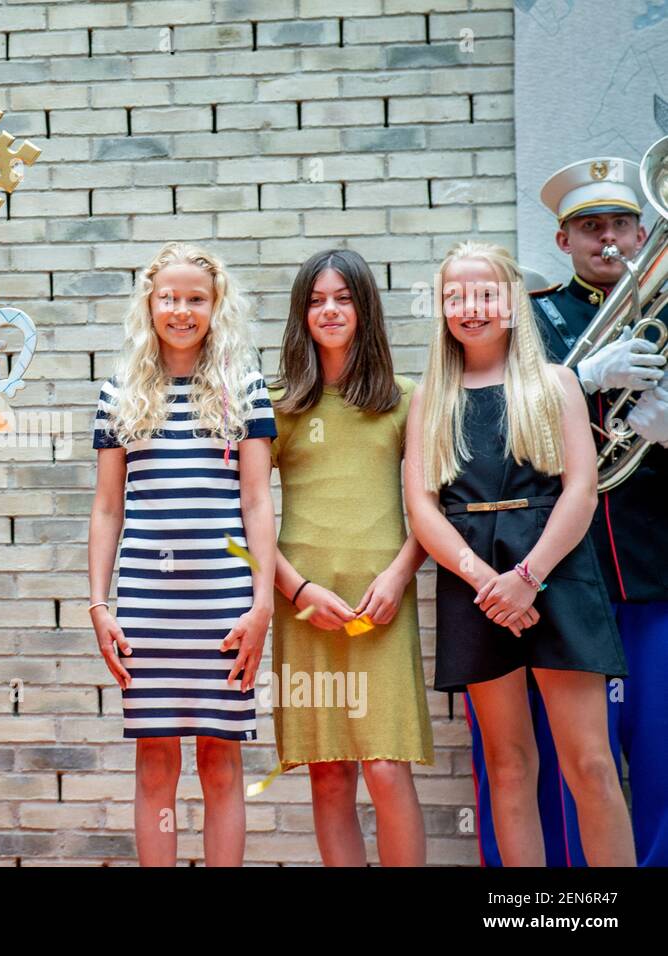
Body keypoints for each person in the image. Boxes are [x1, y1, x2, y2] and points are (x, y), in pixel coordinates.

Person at [405, 240, 635, 866]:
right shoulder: (431, 397)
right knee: (508, 764)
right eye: (455, 295)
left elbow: (582, 492)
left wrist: (527, 578)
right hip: (474, 581)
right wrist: (488, 583)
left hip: (552, 572)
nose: (470, 307)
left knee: (590, 762)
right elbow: (423, 508)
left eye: (484, 293)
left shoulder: (557, 384)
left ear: (511, 302)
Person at [468, 156, 668, 866]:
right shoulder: (538, 319)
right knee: (557, 761)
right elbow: (499, 423)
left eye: (619, 223)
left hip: (654, 569)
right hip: (559, 578)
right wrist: (583, 378)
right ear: (564, 240)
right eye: (589, 227)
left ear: (644, 232)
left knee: (659, 754)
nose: (606, 239)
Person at [88, 242, 276, 866]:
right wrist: (99, 603)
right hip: (146, 600)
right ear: (150, 303)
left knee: (221, 761)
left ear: (216, 306)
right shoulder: (120, 392)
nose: (181, 310)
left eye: (196, 298)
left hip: (224, 601)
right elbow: (107, 508)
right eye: (169, 297)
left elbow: (256, 504)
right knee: (154, 765)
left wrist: (262, 604)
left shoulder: (244, 389)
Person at [268, 249, 433, 866]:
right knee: (328, 774)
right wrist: (297, 591)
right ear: (301, 314)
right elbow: (248, 520)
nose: (330, 310)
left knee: (387, 768)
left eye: (343, 298)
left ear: (365, 308)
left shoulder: (405, 399)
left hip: (380, 607)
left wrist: (397, 576)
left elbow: (429, 513)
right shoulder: (278, 402)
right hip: (305, 607)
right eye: (316, 300)